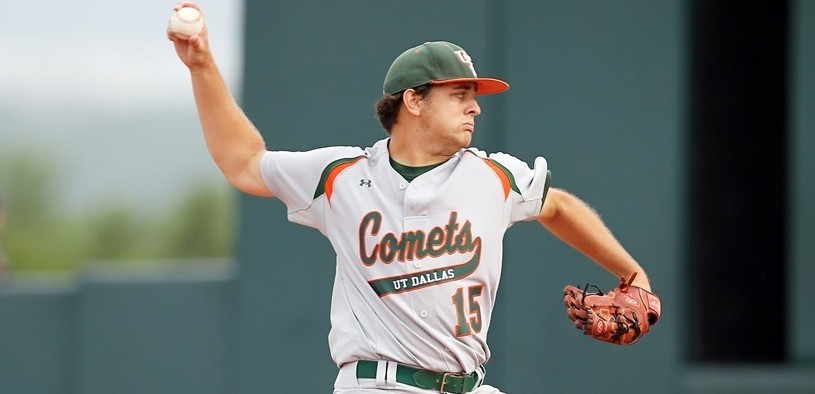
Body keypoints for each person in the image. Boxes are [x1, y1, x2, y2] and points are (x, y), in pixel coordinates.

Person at [168, 3, 655, 393]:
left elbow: (558, 206)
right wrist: (203, 67)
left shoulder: (493, 176)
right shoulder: (340, 176)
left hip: (469, 386)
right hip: (378, 386)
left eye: (473, 94)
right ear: (414, 100)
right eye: (459, 93)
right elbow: (244, 162)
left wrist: (633, 276)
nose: (475, 106)